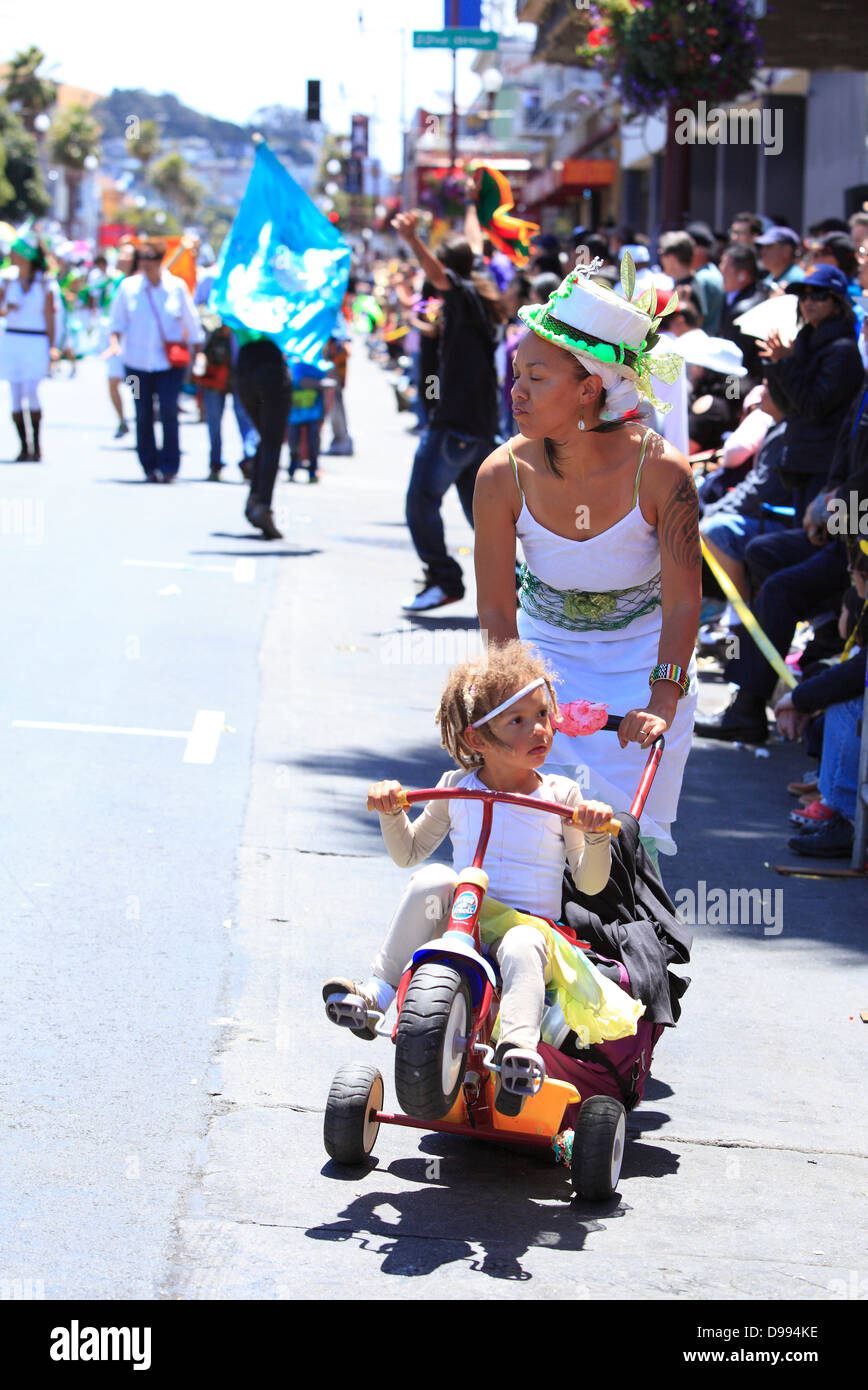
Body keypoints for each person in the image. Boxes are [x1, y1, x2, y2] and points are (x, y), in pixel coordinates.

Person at [321, 642, 644, 1117]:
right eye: (518, 721)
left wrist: (595, 835)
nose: (539, 728)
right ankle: (376, 996)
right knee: (434, 878)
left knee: (518, 945)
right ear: (478, 741)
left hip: (533, 932)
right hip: (463, 924)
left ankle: (518, 1052)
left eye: (542, 714)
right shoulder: (456, 788)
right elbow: (409, 852)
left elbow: (591, 885)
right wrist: (392, 812)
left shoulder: (562, 794)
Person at [473, 259, 701, 866]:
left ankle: (630, 957)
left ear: (588, 387)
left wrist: (662, 700)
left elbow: (682, 601)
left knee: (623, 852)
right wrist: (514, 696)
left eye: (536, 377)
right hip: (546, 665)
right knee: (537, 846)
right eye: (517, 373)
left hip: (645, 668)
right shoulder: (500, 474)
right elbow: (497, 605)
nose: (516, 390)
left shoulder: (663, 471)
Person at [391, 211, 499, 613]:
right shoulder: (472, 304)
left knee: (421, 501)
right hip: (475, 429)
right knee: (483, 520)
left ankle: (444, 579)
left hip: (456, 427)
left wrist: (412, 239)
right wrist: (472, 205)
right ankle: (525, 591)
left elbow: (442, 277)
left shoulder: (463, 294)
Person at [107, 239, 203, 482]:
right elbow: (116, 322)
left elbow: (191, 323)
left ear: (160, 261)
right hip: (135, 364)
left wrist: (199, 350)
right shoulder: (128, 288)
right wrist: (114, 343)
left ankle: (170, 464)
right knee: (142, 411)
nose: (146, 264)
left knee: (169, 409)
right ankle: (149, 464)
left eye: (151, 259)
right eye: (143, 259)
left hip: (169, 364)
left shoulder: (176, 287)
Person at [0, 228, 55, 462]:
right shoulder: (7, 279)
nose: (11, 255)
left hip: (35, 341)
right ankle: (24, 446)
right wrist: (6, 310)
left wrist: (52, 348)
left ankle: (37, 445)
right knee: (14, 393)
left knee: (31, 391)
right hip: (12, 340)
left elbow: (50, 318)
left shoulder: (45, 284)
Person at [234, 333, 293, 539]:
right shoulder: (278, 302)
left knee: (267, 437)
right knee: (272, 440)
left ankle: (255, 499)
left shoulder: (243, 303)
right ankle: (262, 503)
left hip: (245, 368)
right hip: (271, 365)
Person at [755, 226, 805, 291]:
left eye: (769, 246)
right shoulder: (769, 278)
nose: (763, 252)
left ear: (787, 250)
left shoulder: (799, 280)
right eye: (762, 247)